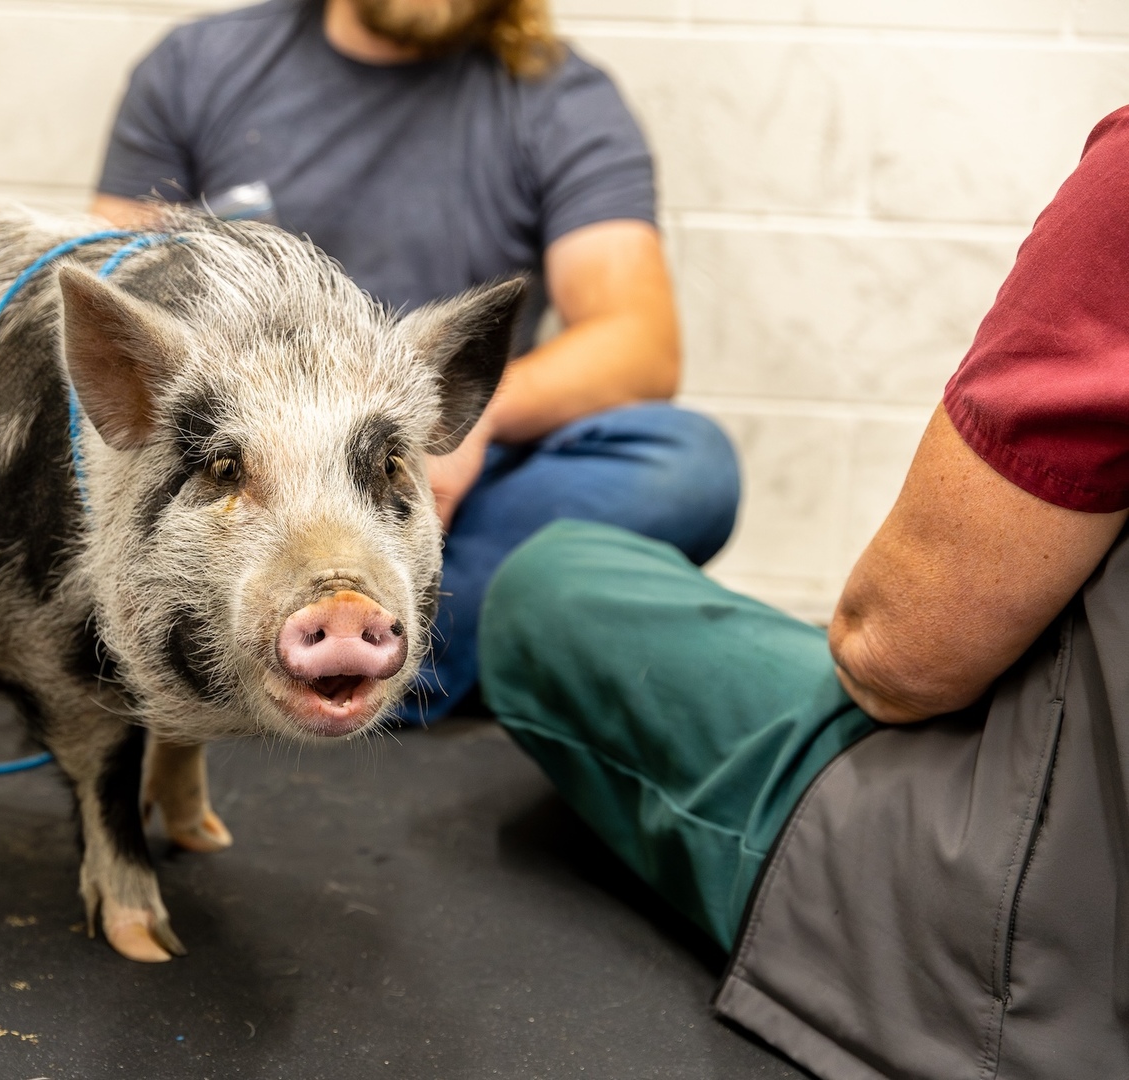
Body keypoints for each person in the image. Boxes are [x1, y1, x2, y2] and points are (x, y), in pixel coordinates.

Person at [479, 106, 1129, 1078]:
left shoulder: (556, 102)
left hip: (1037, 958)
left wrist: (459, 426)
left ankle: (371, 631)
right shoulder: (210, 75)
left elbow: (893, 656)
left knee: (576, 553)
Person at [92, 0, 741, 720]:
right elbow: (116, 319)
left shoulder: (562, 99)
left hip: (442, 476)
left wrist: (474, 423)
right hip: (252, 476)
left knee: (687, 466)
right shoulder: (197, 67)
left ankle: (336, 663)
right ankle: (399, 655)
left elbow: (638, 340)